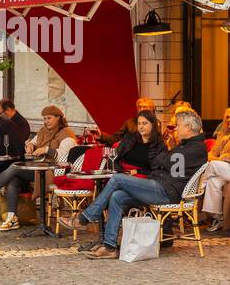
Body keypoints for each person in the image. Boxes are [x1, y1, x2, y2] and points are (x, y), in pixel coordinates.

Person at [60, 109, 209, 258]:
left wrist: (164, 160)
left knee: (117, 179)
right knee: (117, 196)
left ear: (188, 127)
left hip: (166, 191)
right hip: (160, 185)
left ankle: (84, 218)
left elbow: (166, 165)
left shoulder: (194, 148)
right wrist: (164, 161)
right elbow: (165, 165)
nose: (176, 128)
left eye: (179, 125)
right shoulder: (186, 146)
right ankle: (109, 247)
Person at [0, 105, 77, 231]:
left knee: (16, 167)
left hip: (55, 172)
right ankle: (12, 218)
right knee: (13, 180)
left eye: (49, 118)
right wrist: (30, 146)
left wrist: (47, 150)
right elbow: (33, 141)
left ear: (59, 118)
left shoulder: (67, 133)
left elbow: (66, 156)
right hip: (39, 169)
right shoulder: (43, 131)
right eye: (44, 118)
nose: (46, 121)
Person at [111, 109, 162, 175]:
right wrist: (121, 172)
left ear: (153, 125)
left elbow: (160, 171)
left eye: (144, 123)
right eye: (139, 123)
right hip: (122, 172)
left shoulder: (159, 145)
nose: (141, 127)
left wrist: (138, 171)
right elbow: (113, 159)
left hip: (142, 177)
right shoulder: (129, 137)